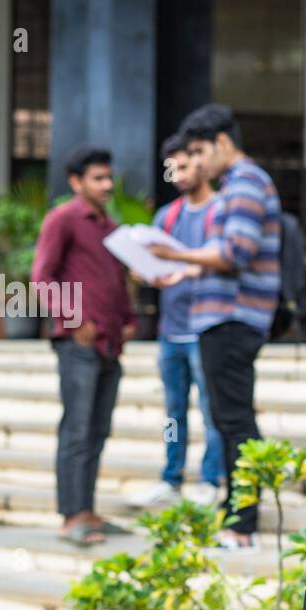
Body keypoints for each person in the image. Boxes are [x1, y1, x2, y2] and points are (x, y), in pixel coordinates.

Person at [150, 103, 281, 548]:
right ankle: (235, 514)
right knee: (228, 419)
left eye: (201, 152)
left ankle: (242, 523)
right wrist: (185, 271)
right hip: (222, 318)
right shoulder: (236, 185)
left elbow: (233, 253)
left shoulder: (245, 182)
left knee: (234, 419)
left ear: (223, 142)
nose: (198, 163)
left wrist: (177, 255)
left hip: (232, 319)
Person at [32, 144, 139, 546]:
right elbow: (42, 277)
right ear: (76, 182)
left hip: (111, 346)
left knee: (97, 430)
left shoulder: (112, 230)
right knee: (76, 430)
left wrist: (129, 320)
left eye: (109, 176)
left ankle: (87, 510)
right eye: (98, 178)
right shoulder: (63, 219)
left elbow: (117, 283)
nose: (107, 184)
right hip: (77, 345)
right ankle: (70, 515)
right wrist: (73, 320)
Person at [127, 133, 226, 510]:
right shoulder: (166, 216)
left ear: (201, 163)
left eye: (184, 165)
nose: (177, 174)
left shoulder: (221, 211)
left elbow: (226, 259)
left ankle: (209, 479)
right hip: (172, 329)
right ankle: (170, 477)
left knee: (210, 411)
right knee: (173, 411)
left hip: (208, 328)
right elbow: (156, 266)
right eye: (171, 168)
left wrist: (182, 263)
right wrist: (145, 270)